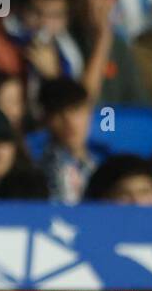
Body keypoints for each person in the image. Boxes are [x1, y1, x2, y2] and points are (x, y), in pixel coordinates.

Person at [38, 77, 107, 205]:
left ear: (89, 114)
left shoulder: (103, 162)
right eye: (59, 113)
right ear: (46, 120)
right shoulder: (37, 168)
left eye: (76, 110)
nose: (69, 122)